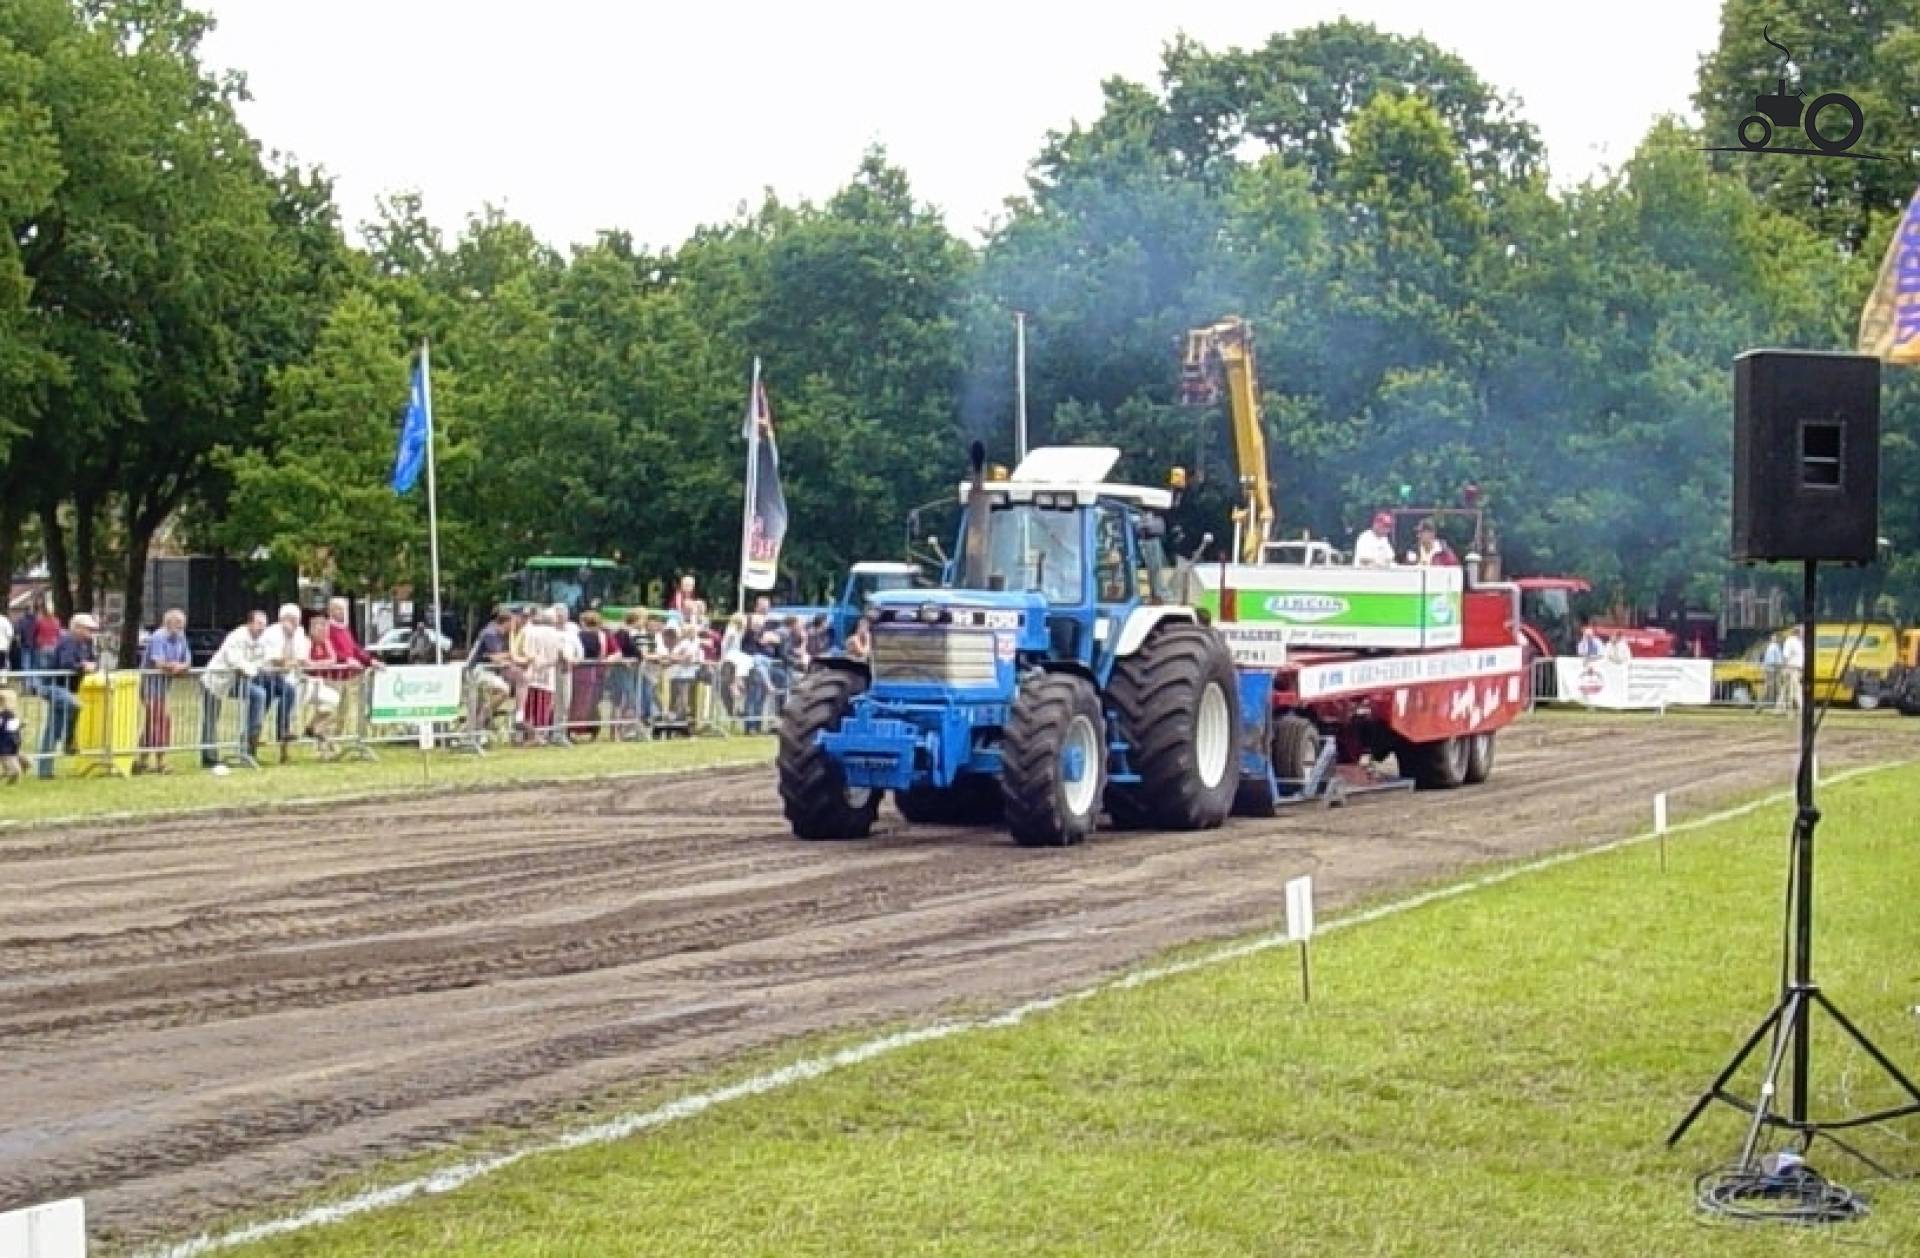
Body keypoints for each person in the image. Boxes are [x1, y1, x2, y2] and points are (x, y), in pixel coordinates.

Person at [202, 612, 272, 767]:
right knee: (211, 719)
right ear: (250, 623)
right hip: (216, 680)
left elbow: (263, 659)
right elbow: (235, 661)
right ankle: (208, 756)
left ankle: (248, 747)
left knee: (259, 695)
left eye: (264, 624)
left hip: (237, 680)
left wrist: (252, 669)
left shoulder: (263, 640)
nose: (262, 628)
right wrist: (249, 669)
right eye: (259, 623)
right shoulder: (236, 637)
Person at [36, 613, 98, 779]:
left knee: (52, 730)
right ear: (77, 628)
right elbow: (66, 663)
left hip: (67, 688)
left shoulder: (87, 643)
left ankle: (44, 771)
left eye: (93, 629)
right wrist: (83, 666)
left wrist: (91, 665)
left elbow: (93, 660)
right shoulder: (68, 641)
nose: (92, 632)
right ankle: (69, 742)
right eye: (89, 629)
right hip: (53, 686)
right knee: (75, 705)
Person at [138, 609, 193, 774]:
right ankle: (162, 762)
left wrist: (181, 666)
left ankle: (141, 761)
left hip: (163, 686)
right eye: (178, 623)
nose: (182, 626)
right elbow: (158, 663)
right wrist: (174, 667)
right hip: (149, 684)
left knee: (151, 724)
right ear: (168, 623)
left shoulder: (181, 637)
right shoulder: (158, 637)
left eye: (183, 623)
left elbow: (188, 661)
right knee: (162, 721)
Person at [258, 604, 310, 764]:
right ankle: (252, 740)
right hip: (266, 675)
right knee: (261, 709)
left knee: (288, 704)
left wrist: (291, 662)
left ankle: (283, 745)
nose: (294, 624)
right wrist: (290, 661)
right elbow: (275, 659)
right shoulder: (271, 632)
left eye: (297, 620)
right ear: (282, 619)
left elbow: (302, 658)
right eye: (291, 620)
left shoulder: (300, 633)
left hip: (286, 678)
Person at [465, 609, 517, 740]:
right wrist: (513, 654)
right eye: (513, 623)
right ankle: (483, 718)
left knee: (480, 703)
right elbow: (495, 657)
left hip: (482, 671)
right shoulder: (491, 633)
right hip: (477, 671)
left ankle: (476, 730)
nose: (514, 627)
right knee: (504, 690)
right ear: (506, 622)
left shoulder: (493, 632)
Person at [520, 609, 566, 745]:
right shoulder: (556, 634)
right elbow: (560, 653)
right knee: (542, 706)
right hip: (547, 673)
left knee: (528, 706)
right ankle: (539, 735)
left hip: (529, 671)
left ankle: (530, 735)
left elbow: (523, 650)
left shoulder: (528, 631)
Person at [302, 612, 345, 757]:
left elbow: (333, 660)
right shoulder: (307, 642)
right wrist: (318, 664)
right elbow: (306, 662)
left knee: (331, 705)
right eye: (319, 628)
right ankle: (315, 733)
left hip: (321, 682)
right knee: (329, 704)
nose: (323, 631)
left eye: (324, 627)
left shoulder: (326, 642)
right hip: (306, 682)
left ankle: (312, 728)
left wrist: (317, 664)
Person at [1778, 626, 1805, 716]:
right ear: (1797, 632)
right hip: (1791, 668)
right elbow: (1786, 655)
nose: (1803, 634)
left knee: (1787, 688)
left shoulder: (1800, 642)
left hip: (1797, 668)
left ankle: (1780, 707)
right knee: (1795, 688)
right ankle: (1800, 707)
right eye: (1801, 632)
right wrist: (1784, 668)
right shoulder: (1790, 641)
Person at [0, 687, 21, 784]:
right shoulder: (7, 715)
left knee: (8, 759)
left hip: (8, 741)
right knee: (10, 759)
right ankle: (10, 772)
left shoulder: (8, 714)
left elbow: (12, 727)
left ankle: (12, 772)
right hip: (9, 742)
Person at [1761, 635, 1784, 708]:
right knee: (1774, 686)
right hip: (1773, 669)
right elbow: (1776, 660)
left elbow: (1768, 660)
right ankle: (1773, 702)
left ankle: (1769, 702)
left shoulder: (1770, 647)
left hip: (1770, 669)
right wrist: (1780, 667)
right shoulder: (1775, 647)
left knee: (1770, 686)